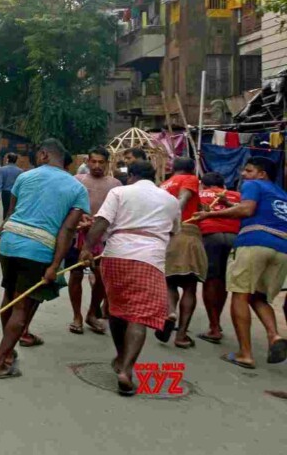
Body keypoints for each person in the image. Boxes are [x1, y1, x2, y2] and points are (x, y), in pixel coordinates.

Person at [0, 139, 90, 378]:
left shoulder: (25, 177)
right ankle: (0, 361)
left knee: (9, 298)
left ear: (43, 154)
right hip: (38, 249)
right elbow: (66, 231)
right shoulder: (76, 188)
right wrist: (55, 265)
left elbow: (10, 215)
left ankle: (8, 352)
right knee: (22, 306)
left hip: (9, 242)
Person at [82, 161, 180, 395]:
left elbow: (102, 222)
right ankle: (127, 369)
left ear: (132, 176)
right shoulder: (171, 200)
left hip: (116, 255)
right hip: (150, 258)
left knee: (117, 309)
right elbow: (175, 233)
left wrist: (87, 248)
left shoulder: (119, 192)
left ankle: (120, 355)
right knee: (138, 316)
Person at [193, 157, 287, 370]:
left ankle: (245, 354)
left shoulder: (253, 185)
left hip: (254, 242)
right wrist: (231, 205)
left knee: (240, 294)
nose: (243, 175)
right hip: (282, 248)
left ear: (261, 174)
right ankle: (274, 336)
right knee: (259, 297)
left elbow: (246, 211)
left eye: (249, 170)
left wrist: (211, 213)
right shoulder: (282, 194)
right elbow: (253, 209)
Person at [66, 147, 122, 336]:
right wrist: (81, 220)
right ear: (87, 161)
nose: (97, 166)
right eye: (94, 161)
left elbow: (118, 213)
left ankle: (92, 313)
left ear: (107, 163)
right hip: (78, 237)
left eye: (101, 162)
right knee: (76, 275)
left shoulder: (115, 185)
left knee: (101, 278)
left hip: (104, 239)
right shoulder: (76, 181)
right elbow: (68, 207)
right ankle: (77, 316)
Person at [158, 157, 208, 348]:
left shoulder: (163, 185)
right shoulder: (190, 179)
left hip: (165, 236)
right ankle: (181, 336)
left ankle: (171, 312)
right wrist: (175, 221)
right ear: (191, 169)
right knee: (189, 285)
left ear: (173, 169)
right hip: (185, 233)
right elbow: (183, 199)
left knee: (169, 280)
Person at [195, 172, 240, 344]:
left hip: (209, 235)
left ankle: (214, 327)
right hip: (234, 237)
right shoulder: (236, 195)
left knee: (210, 280)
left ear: (204, 185)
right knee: (223, 280)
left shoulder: (199, 194)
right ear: (223, 186)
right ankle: (217, 323)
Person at [0, 153, 23, 220]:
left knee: (6, 208)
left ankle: (5, 222)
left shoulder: (1, 170)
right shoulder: (20, 171)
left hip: (6, 193)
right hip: (16, 193)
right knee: (14, 208)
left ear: (7, 159)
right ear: (16, 160)